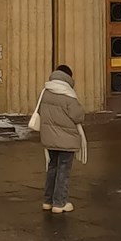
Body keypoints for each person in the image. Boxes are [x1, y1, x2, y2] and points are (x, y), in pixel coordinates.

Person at [34, 63, 89, 213]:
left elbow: (39, 111)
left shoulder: (46, 91)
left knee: (52, 167)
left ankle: (48, 201)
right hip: (66, 139)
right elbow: (78, 116)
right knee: (63, 170)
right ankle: (60, 203)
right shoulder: (68, 95)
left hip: (49, 138)